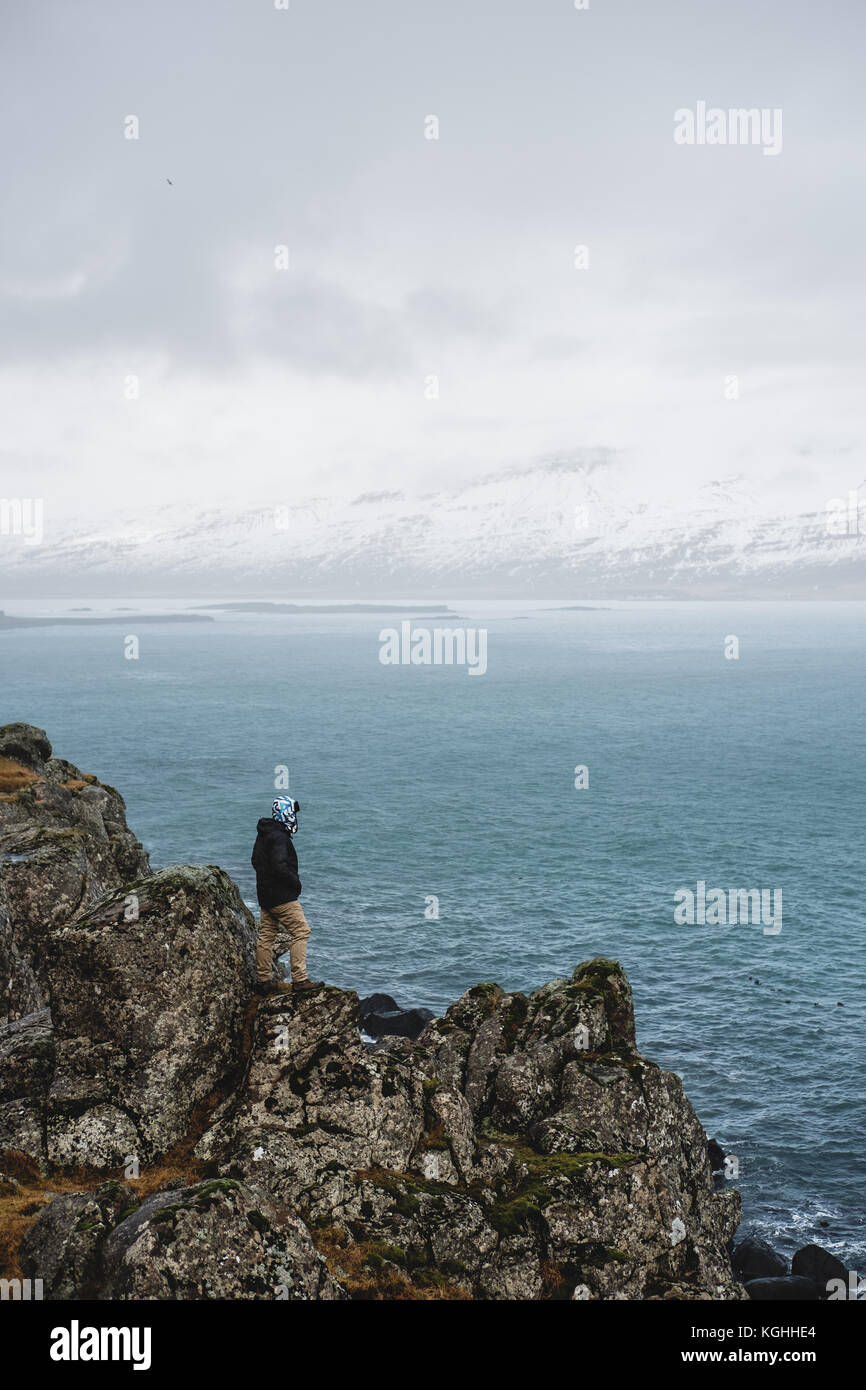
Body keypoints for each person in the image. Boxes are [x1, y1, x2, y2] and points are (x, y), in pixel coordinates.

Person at [251, 796, 323, 996]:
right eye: (293, 812)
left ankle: (263, 980)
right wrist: (295, 883)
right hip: (282, 897)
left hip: (265, 896)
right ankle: (300, 980)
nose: (295, 816)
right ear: (286, 813)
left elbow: (255, 861)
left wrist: (266, 884)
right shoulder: (280, 837)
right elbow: (279, 866)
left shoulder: (264, 834)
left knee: (266, 935)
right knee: (301, 931)